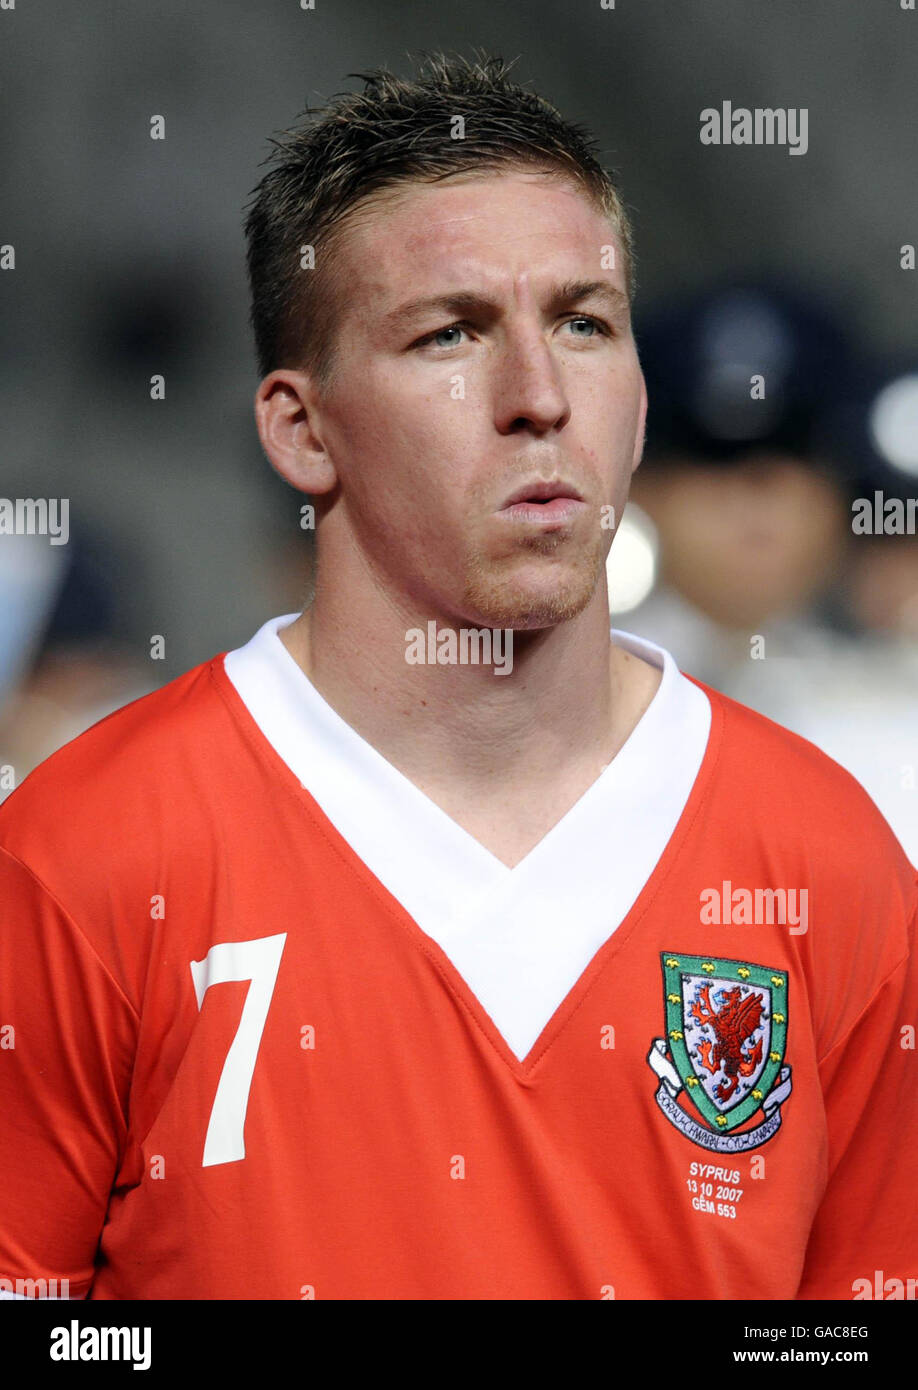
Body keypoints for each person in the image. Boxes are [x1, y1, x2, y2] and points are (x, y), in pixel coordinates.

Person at [0, 53, 915, 1302]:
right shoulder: (79, 853)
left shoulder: (828, 858)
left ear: (640, 403)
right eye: (450, 333)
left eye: (585, 323)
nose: (539, 398)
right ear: (300, 431)